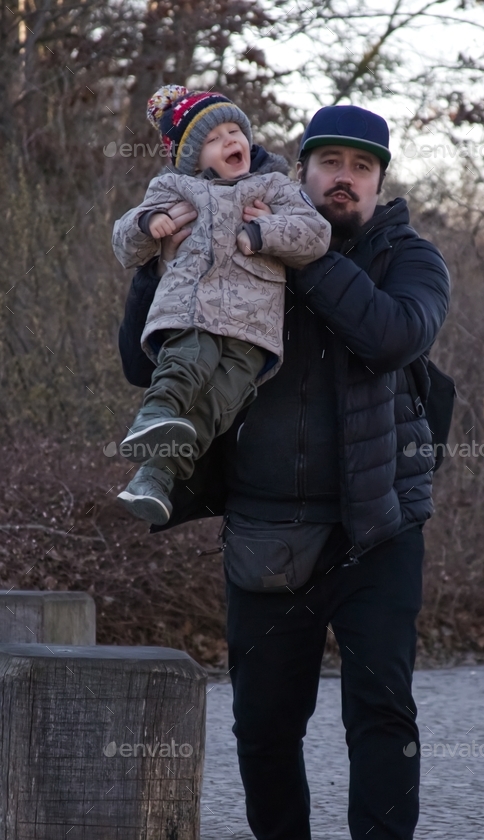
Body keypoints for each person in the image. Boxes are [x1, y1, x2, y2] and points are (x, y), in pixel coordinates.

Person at [118, 104, 451, 840]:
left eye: (361, 168)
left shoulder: (409, 256)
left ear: (377, 183)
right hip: (266, 530)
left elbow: (396, 334)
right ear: (301, 167)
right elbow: (145, 368)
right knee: (264, 724)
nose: (344, 177)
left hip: (379, 525)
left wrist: (304, 252)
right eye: (329, 162)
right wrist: (156, 259)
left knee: (381, 711)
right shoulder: (236, 230)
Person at [112, 85, 331, 524]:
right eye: (215, 138)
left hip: (252, 329)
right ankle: (152, 418)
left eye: (236, 130)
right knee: (187, 365)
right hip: (191, 311)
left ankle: (152, 478)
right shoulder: (175, 186)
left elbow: (315, 234)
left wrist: (266, 232)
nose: (232, 140)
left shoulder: (273, 187)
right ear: (193, 158)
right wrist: (149, 222)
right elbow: (124, 244)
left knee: (215, 405)